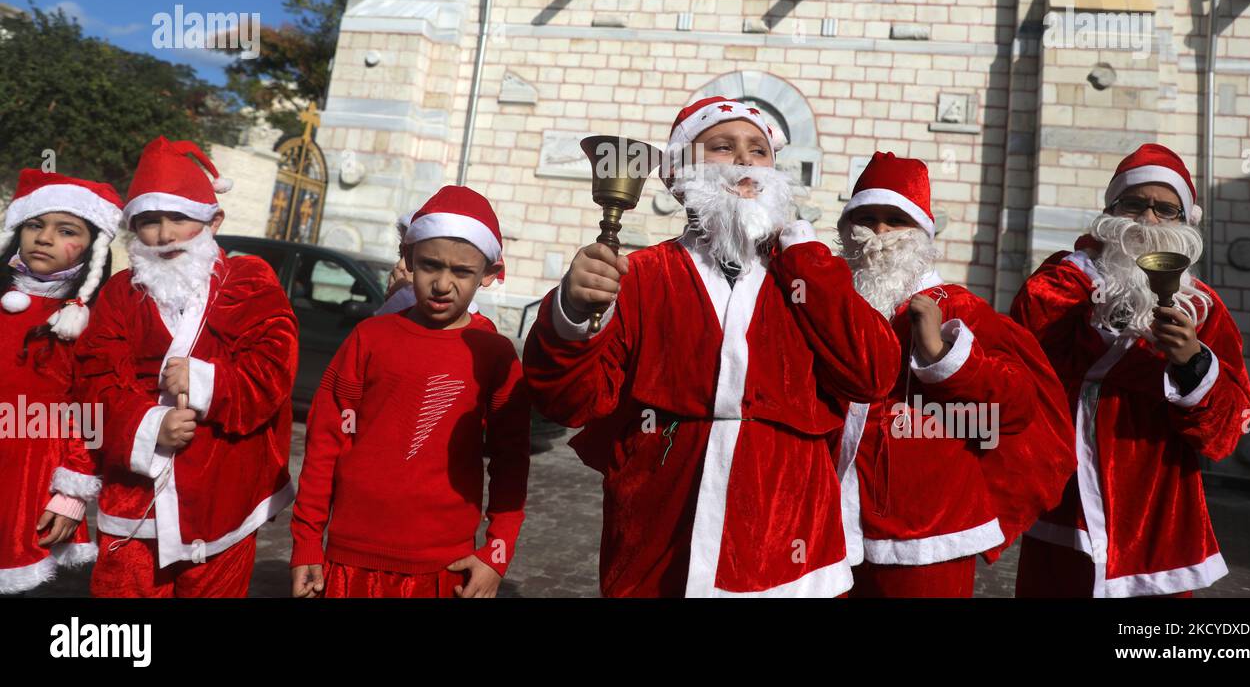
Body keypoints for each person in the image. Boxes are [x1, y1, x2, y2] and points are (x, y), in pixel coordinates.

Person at [523, 97, 900, 597]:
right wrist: (571, 311)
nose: (745, 160)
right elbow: (571, 400)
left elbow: (872, 373)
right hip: (662, 530)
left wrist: (807, 256)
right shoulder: (643, 276)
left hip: (788, 536)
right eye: (723, 147)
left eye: (758, 150)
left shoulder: (805, 274)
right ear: (682, 172)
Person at [1011, 143, 1250, 597]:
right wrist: (1109, 327)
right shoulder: (1062, 282)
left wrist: (1193, 365)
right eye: (1134, 204)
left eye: (1165, 209)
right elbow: (1031, 362)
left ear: (1185, 223)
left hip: (1159, 506)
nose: (1147, 220)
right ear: (1110, 211)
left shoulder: (1203, 308)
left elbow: (1226, 430)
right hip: (1070, 501)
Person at [834, 152, 1074, 596]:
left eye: (895, 219)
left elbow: (1017, 406)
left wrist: (943, 356)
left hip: (926, 537)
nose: (880, 234)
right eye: (866, 219)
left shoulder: (961, 307)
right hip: (832, 528)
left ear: (923, 232)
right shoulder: (834, 305)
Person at [74, 137, 298, 597]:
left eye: (179, 218)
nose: (165, 234)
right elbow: (93, 380)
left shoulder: (249, 282)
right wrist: (150, 424)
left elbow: (274, 371)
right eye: (150, 222)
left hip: (224, 493)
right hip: (135, 497)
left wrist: (205, 382)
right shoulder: (120, 294)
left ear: (212, 221)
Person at [290, 186, 529, 598]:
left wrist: (497, 552)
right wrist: (308, 541)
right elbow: (324, 442)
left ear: (488, 274)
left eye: (462, 272)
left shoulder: (495, 354)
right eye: (430, 265)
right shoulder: (369, 337)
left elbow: (511, 463)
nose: (442, 284)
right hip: (351, 558)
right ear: (409, 259)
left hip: (444, 566)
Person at [0, 170, 121, 593]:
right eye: (36, 225)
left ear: (93, 249)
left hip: (28, 477)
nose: (44, 238)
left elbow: (88, 416)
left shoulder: (88, 323)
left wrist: (71, 495)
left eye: (65, 230)